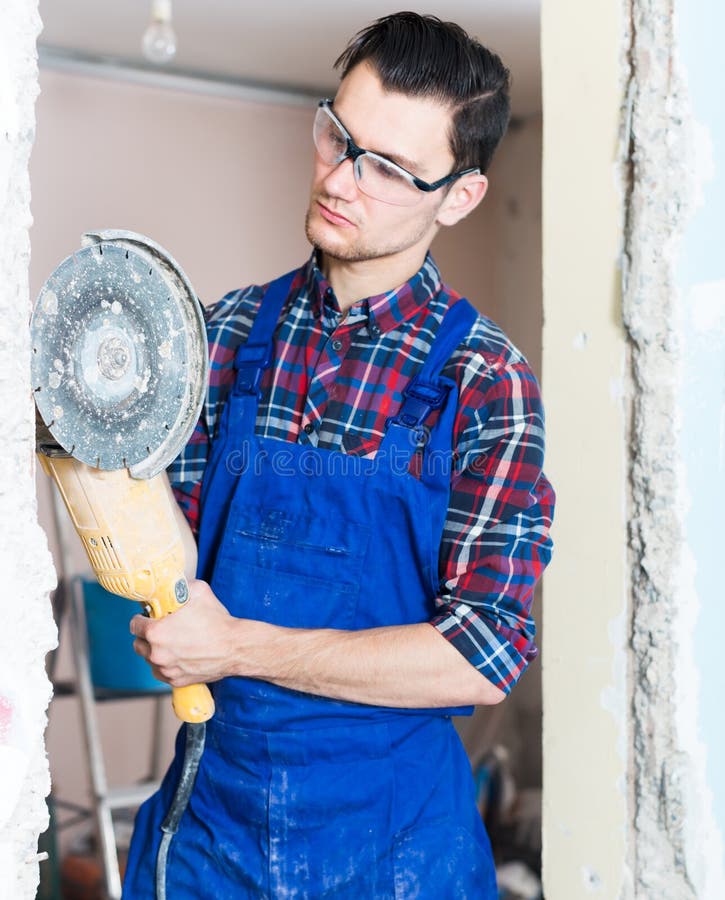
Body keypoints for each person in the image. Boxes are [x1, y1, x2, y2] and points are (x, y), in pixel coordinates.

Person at [123, 12, 554, 898]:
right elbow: (172, 564)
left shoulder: (484, 383)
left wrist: (238, 647)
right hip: (214, 839)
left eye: (390, 169)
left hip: (395, 854)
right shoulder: (224, 336)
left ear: (459, 195)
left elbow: (477, 655)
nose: (342, 182)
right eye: (337, 137)